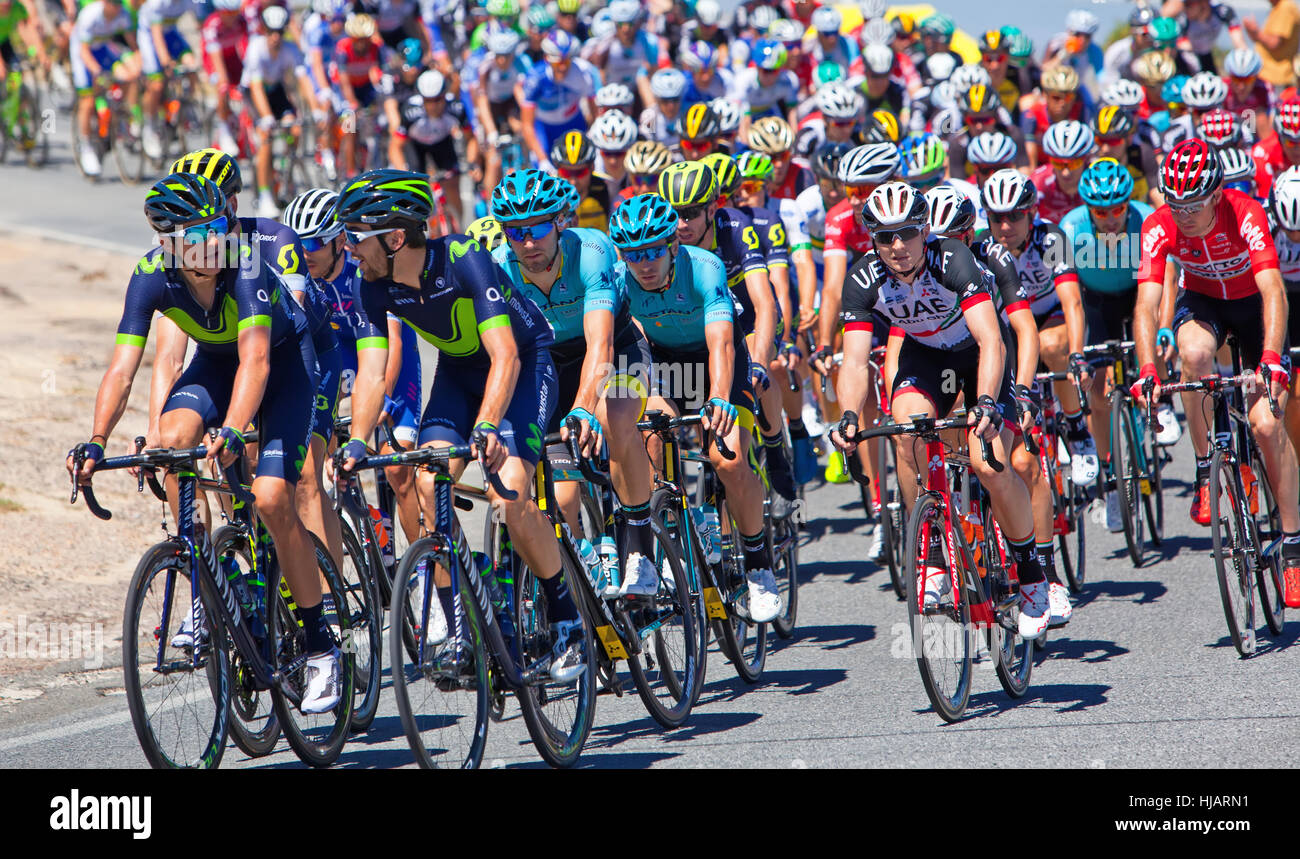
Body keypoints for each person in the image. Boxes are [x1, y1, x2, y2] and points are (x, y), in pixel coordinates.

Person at [68, 173, 342, 712]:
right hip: (218, 364)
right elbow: (124, 368)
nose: (217, 240)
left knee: (270, 498)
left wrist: (237, 428)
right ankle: (202, 570)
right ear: (168, 244)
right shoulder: (150, 276)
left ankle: (320, 647)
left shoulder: (244, 265)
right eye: (201, 233)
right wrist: (97, 440)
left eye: (220, 226)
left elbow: (258, 361)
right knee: (171, 440)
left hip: (285, 365)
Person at [337, 168, 589, 681]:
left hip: (522, 364)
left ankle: (567, 619)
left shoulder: (463, 260)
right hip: (458, 373)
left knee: (511, 491)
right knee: (430, 482)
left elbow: (505, 356)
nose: (348, 250)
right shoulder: (373, 287)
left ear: (395, 236)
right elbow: (370, 371)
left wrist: (489, 426)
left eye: (356, 238)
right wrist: (359, 441)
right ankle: (461, 623)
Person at [829, 182, 1052, 638]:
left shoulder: (953, 258)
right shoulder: (864, 276)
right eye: (885, 236)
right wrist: (849, 415)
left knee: (988, 464)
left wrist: (987, 401)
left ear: (925, 230)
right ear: (870, 237)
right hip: (925, 355)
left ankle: (1032, 575)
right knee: (907, 430)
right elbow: (853, 360)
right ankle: (931, 556)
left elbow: (992, 338)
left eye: (908, 233)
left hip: (978, 355)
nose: (898, 246)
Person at [1133, 138, 1300, 605]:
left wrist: (1270, 356)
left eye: (1193, 205)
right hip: (1204, 302)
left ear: (1216, 195)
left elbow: (1272, 290)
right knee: (1194, 354)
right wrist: (1147, 367)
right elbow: (1146, 305)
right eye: (1175, 202)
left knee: (1267, 425)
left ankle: (1293, 546)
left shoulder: (1246, 212)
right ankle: (1208, 465)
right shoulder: (1159, 223)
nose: (1182, 214)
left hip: (1253, 309)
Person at [607, 193, 783, 623]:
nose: (644, 264)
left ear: (671, 246)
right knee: (646, 433)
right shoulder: (617, 280)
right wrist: (648, 396)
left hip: (716, 361)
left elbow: (722, 341)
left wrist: (719, 397)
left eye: (652, 252)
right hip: (662, 362)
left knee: (727, 458)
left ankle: (759, 566)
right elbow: (625, 349)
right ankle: (668, 532)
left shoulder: (704, 267)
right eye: (633, 255)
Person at [490, 169, 659, 596]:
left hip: (615, 350)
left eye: (539, 228)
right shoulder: (498, 267)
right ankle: (585, 561)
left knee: (615, 418)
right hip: (550, 363)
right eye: (516, 231)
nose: (528, 242)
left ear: (560, 222)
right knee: (563, 495)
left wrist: (583, 406)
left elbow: (599, 344)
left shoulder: (591, 250)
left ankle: (640, 549)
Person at [982, 168, 1100, 487]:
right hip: (1009, 323)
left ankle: (1077, 429)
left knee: (1050, 346)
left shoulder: (1050, 237)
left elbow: (1072, 301)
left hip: (1051, 314)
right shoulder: (982, 247)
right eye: (996, 218)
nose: (1005, 227)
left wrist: (1076, 355)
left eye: (1015, 217)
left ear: (1032, 212)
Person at [71, 0, 141, 177]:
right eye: (112, 4)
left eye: (118, 4)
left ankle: (122, 114)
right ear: (104, 3)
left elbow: (132, 44)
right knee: (87, 100)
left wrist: (138, 62)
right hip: (83, 52)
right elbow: (84, 52)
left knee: (130, 75)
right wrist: (97, 72)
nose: (116, 8)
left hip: (103, 48)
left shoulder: (123, 13)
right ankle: (86, 145)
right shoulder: (90, 16)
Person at [1030, 120, 1095, 224]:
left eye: (1074, 164)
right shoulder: (1039, 181)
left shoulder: (1096, 179)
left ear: (1086, 159)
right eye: (1058, 164)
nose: (1066, 173)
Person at [1242, 0, 1300, 91]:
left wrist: (1256, 33)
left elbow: (1274, 43)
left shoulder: (1285, 7)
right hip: (1270, 76)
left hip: (1277, 78)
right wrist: (1253, 33)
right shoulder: (1278, 8)